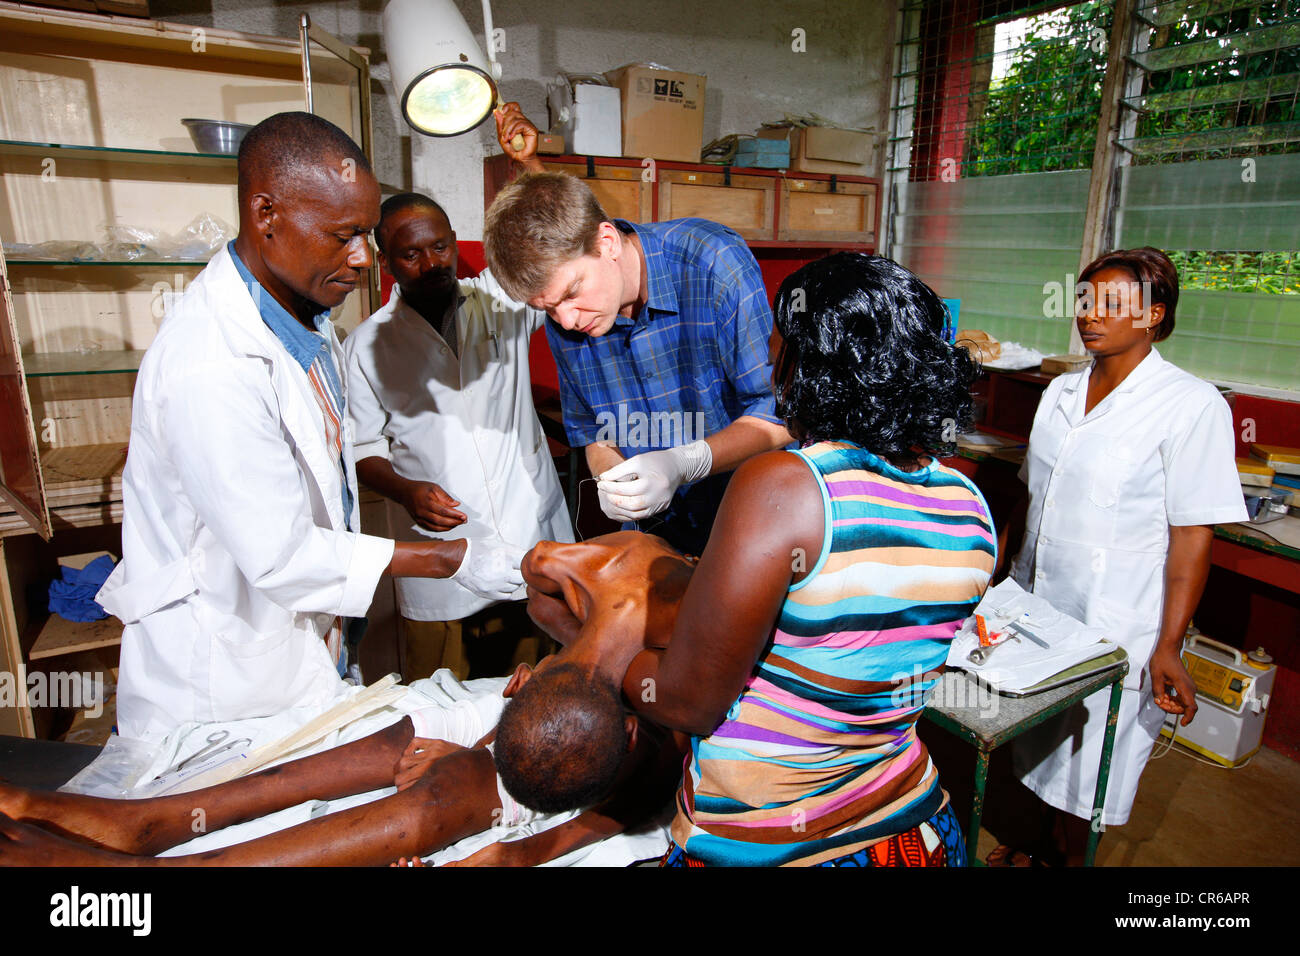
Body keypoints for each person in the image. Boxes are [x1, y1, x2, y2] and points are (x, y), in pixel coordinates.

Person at [538, 253, 997, 866]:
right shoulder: (969, 505)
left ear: (808, 363)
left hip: (775, 844)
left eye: (780, 346)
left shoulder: (786, 487)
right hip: (911, 830)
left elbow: (688, 701)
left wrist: (595, 650)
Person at [96, 112, 522, 742]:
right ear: (266, 214)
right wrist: (453, 560)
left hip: (301, 653)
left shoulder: (305, 316)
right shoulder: (213, 360)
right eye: (343, 235)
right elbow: (283, 554)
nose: (361, 258)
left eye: (367, 235)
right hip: (223, 684)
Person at [0, 531, 701, 867]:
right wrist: (481, 738)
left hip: (594, 729)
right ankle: (150, 821)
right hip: (560, 708)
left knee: (442, 800)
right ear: (528, 681)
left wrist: (510, 856)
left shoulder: (688, 679)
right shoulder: (565, 568)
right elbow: (541, 603)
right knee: (407, 734)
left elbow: (635, 805)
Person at [989, 247, 1248, 866]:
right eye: (1085, 300)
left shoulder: (1191, 406)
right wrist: (996, 577)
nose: (1089, 315)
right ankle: (1036, 847)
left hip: (1117, 620)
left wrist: (1168, 644)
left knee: (1094, 773)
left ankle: (1071, 859)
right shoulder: (1059, 392)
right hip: (1035, 605)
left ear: (1155, 315)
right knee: (1035, 745)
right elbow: (1033, 498)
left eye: (1112, 304)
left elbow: (1192, 536)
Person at [343, 104, 572, 681]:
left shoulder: (500, 302)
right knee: (443, 703)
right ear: (385, 261)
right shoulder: (368, 345)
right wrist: (405, 490)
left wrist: (529, 165)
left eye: (440, 246)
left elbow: (555, 240)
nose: (431, 264)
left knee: (538, 690)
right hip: (446, 551)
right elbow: (359, 448)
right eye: (411, 254)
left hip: (529, 531)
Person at [482, 170, 792, 555]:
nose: (568, 321)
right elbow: (592, 432)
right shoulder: (564, 323)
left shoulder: (712, 263)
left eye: (572, 293)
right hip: (658, 535)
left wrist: (684, 463)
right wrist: (611, 479)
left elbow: (781, 414)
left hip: (752, 515)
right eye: (546, 308)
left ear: (607, 241)